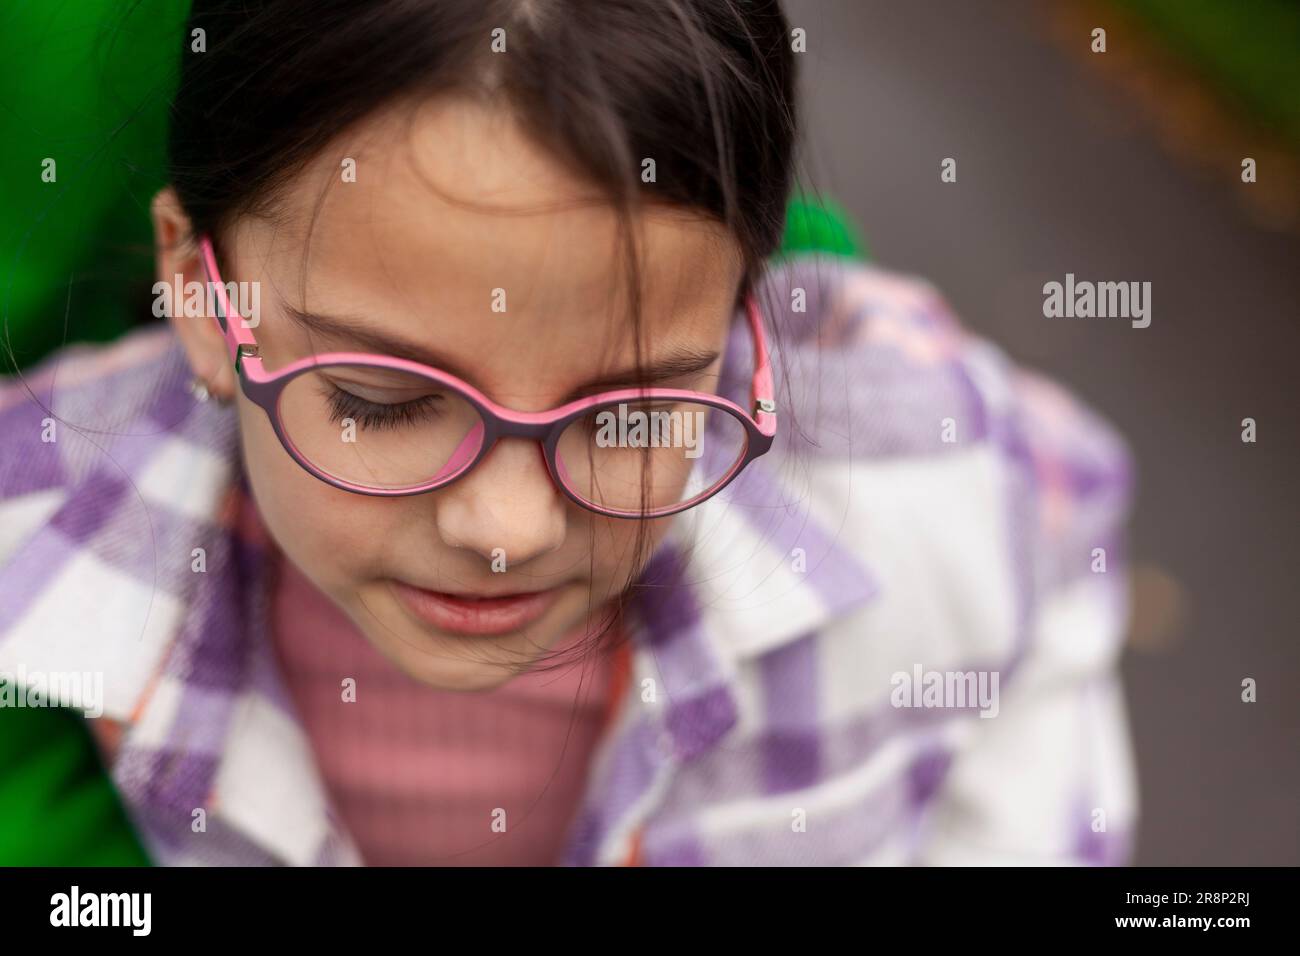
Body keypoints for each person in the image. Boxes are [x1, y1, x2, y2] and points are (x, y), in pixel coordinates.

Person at [0, 0, 1137, 866]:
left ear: (746, 304)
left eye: (634, 410)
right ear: (199, 292)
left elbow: (1063, 530)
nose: (507, 527)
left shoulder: (915, 460)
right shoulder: (29, 532)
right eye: (382, 400)